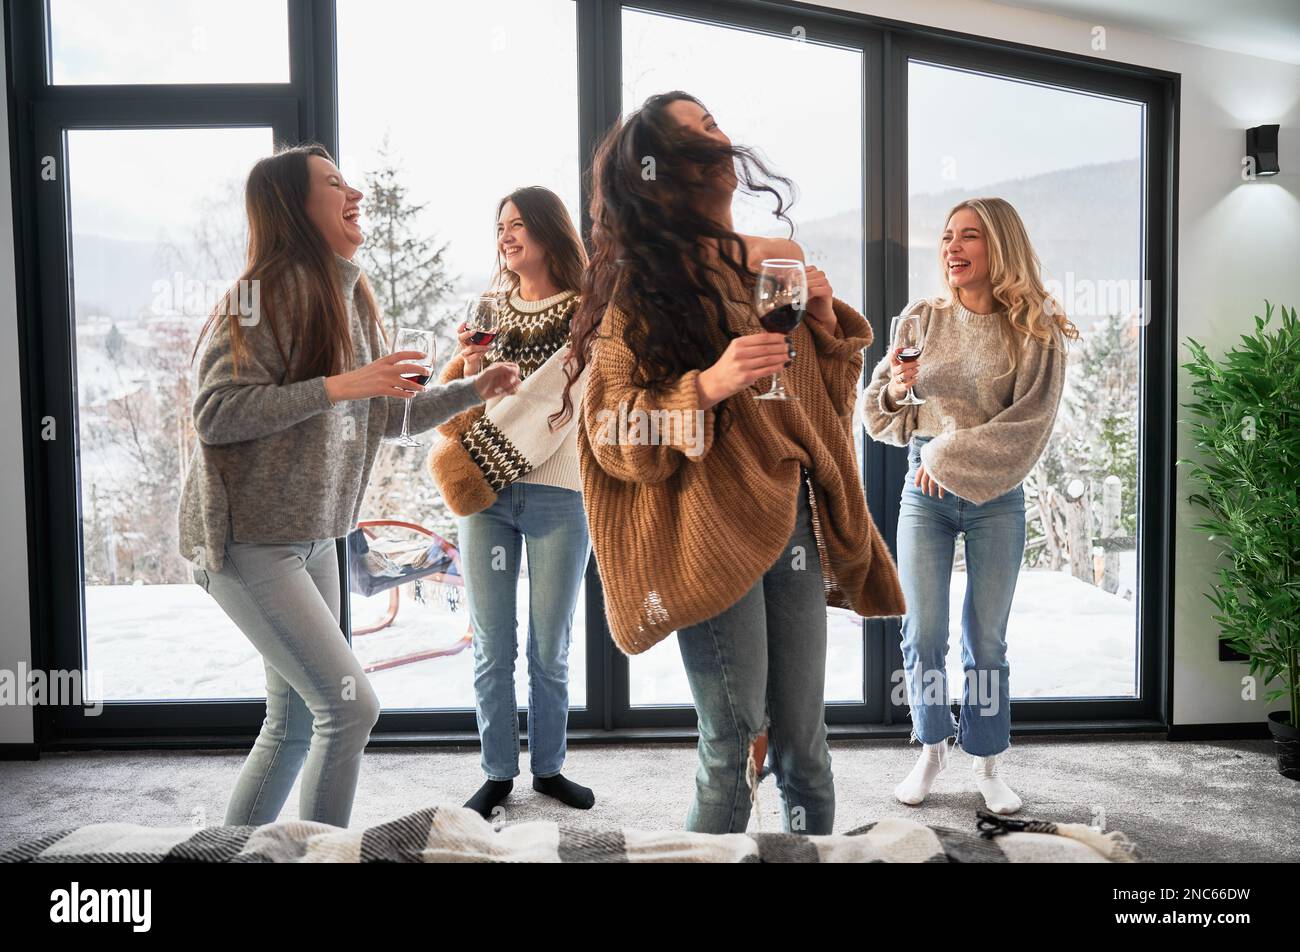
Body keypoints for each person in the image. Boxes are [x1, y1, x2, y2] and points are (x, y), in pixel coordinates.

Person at [562, 92, 905, 835]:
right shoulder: (644, 281)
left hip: (790, 520)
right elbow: (611, 427)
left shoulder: (774, 259)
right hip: (709, 527)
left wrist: (824, 329)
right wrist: (708, 385)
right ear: (670, 169)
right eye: (702, 129)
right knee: (733, 737)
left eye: (715, 122)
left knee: (804, 740)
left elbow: (813, 407)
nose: (723, 135)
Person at [178, 144, 521, 828]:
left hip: (318, 538)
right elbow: (214, 413)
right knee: (348, 706)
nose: (353, 191)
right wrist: (337, 386)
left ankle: (236, 852)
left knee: (295, 721)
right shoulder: (261, 297)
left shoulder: (353, 295)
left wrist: (469, 387)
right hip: (248, 541)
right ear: (293, 208)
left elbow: (389, 408)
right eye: (332, 183)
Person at [862, 196, 1076, 815]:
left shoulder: (1035, 328)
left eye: (971, 236)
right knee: (922, 630)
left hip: (996, 495)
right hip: (921, 492)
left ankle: (987, 759)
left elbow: (1028, 425)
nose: (953, 247)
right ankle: (931, 746)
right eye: (949, 236)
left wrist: (945, 461)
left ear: (1000, 246)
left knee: (985, 639)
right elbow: (876, 414)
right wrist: (900, 393)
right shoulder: (921, 319)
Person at [428, 186, 595, 819]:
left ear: (550, 232)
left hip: (558, 494)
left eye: (519, 224)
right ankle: (498, 772)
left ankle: (549, 768)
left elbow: (580, 400)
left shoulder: (587, 313)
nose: (506, 235)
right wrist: (465, 367)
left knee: (548, 648)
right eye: (501, 225)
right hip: (486, 495)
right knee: (491, 645)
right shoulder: (489, 307)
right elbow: (456, 406)